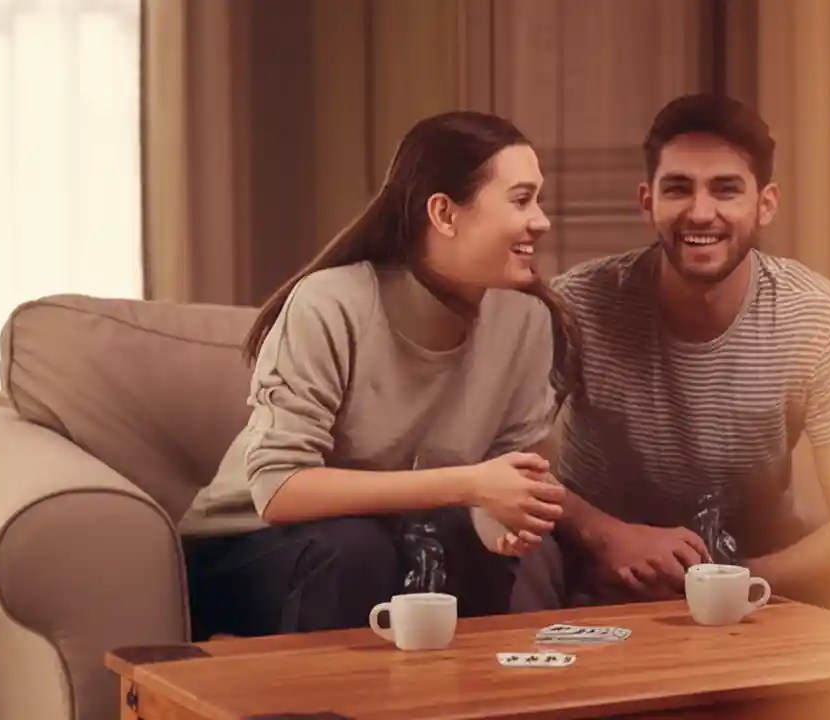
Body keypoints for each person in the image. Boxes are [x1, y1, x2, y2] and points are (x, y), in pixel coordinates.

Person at [177, 110, 583, 640]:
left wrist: (502, 519)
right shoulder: (332, 303)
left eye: (539, 200)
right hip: (247, 546)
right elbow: (279, 490)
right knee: (356, 548)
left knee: (467, 546)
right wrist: (470, 487)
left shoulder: (527, 320)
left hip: (397, 537)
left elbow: (507, 472)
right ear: (444, 213)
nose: (542, 220)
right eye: (521, 199)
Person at [514, 94, 830, 625]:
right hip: (602, 567)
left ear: (765, 204)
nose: (701, 212)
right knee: (511, 540)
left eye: (726, 189)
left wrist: (734, 579)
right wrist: (609, 536)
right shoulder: (580, 302)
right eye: (678, 188)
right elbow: (509, 462)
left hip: (759, 573)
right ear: (647, 200)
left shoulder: (813, 314)